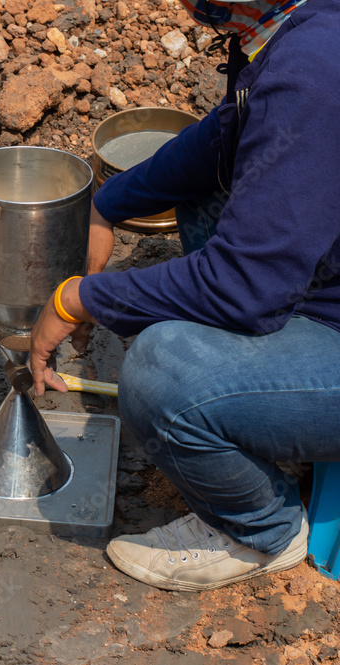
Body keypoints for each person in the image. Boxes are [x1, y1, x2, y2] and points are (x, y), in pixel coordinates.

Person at [28, 0, 340, 591]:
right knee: (209, 192)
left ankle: (261, 531)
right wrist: (109, 201)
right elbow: (226, 137)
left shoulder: (317, 72)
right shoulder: (301, 23)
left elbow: (244, 287)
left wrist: (81, 299)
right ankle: (266, 404)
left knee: (162, 373)